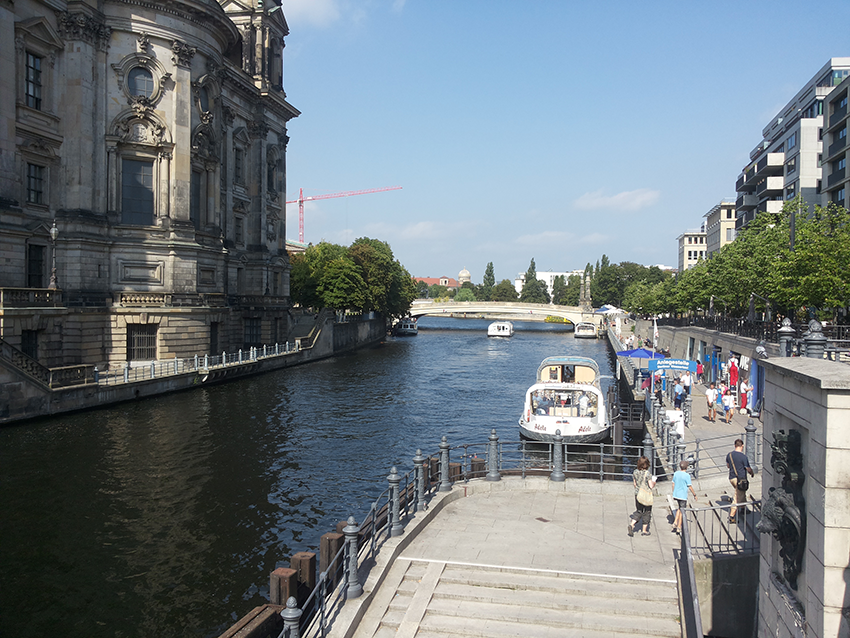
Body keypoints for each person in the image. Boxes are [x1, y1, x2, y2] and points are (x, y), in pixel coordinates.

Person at [726, 439, 754, 523]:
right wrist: (752, 473)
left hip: (732, 478)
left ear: (735, 445)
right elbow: (748, 468)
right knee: (737, 496)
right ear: (742, 446)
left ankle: (743, 508)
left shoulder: (729, 455)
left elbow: (728, 466)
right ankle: (732, 516)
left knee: (742, 492)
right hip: (740, 479)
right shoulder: (743, 457)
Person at [628, 456, 656, 537]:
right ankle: (644, 531)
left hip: (637, 494)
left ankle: (632, 524)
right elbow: (651, 486)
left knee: (639, 510)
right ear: (647, 465)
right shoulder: (648, 474)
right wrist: (654, 481)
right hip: (646, 495)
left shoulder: (635, 472)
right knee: (647, 512)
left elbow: (634, 484)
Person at [671, 460, 697, 534]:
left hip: (676, 494)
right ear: (687, 467)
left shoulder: (676, 473)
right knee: (682, 511)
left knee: (679, 508)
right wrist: (694, 494)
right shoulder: (687, 476)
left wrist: (674, 492)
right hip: (683, 496)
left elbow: (673, 484)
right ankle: (679, 526)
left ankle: (675, 522)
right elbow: (690, 486)